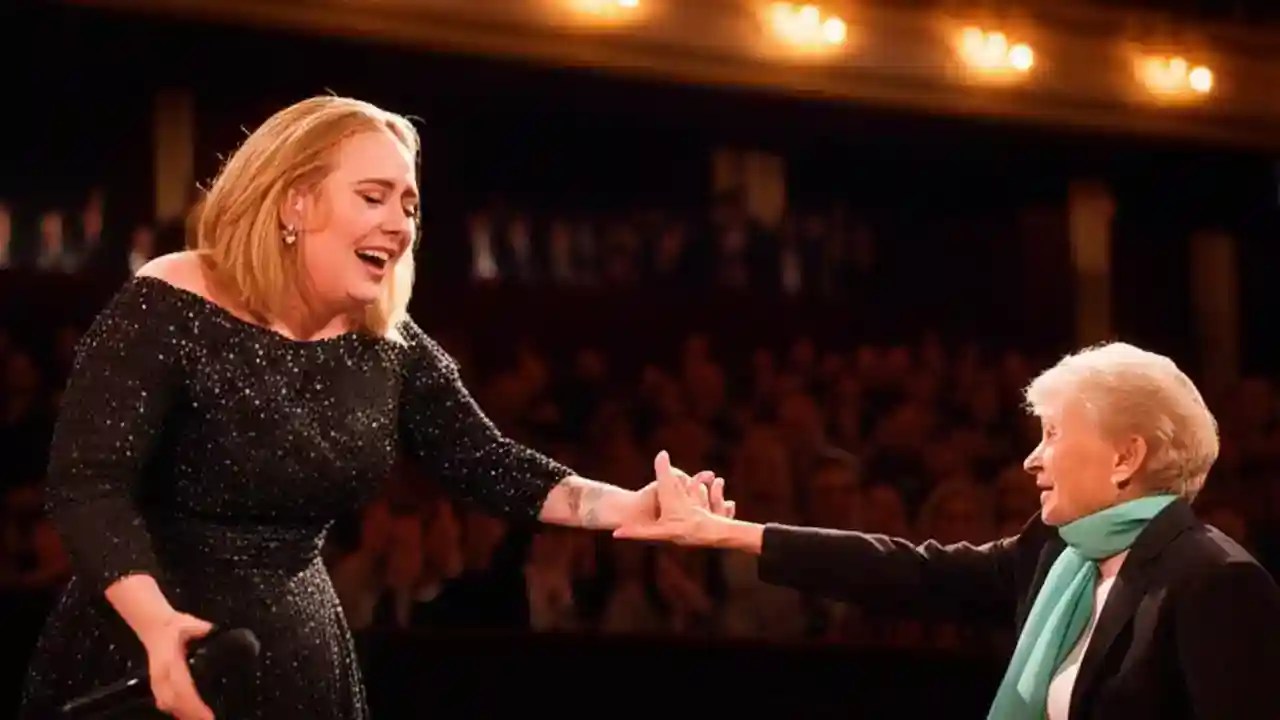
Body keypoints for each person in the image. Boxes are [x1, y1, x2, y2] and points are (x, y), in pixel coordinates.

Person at [19, 95, 732, 720]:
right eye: (373, 196)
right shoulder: (173, 296)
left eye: (409, 205)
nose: (399, 223)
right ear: (295, 201)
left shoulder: (387, 343)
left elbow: (486, 462)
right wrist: (157, 624)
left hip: (295, 652)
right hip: (144, 637)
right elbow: (88, 485)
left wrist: (629, 509)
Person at [623, 342, 1280, 720]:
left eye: (1052, 435)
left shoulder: (1216, 584)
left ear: (1125, 457)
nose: (1032, 458)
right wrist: (729, 534)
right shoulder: (1057, 551)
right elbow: (914, 571)